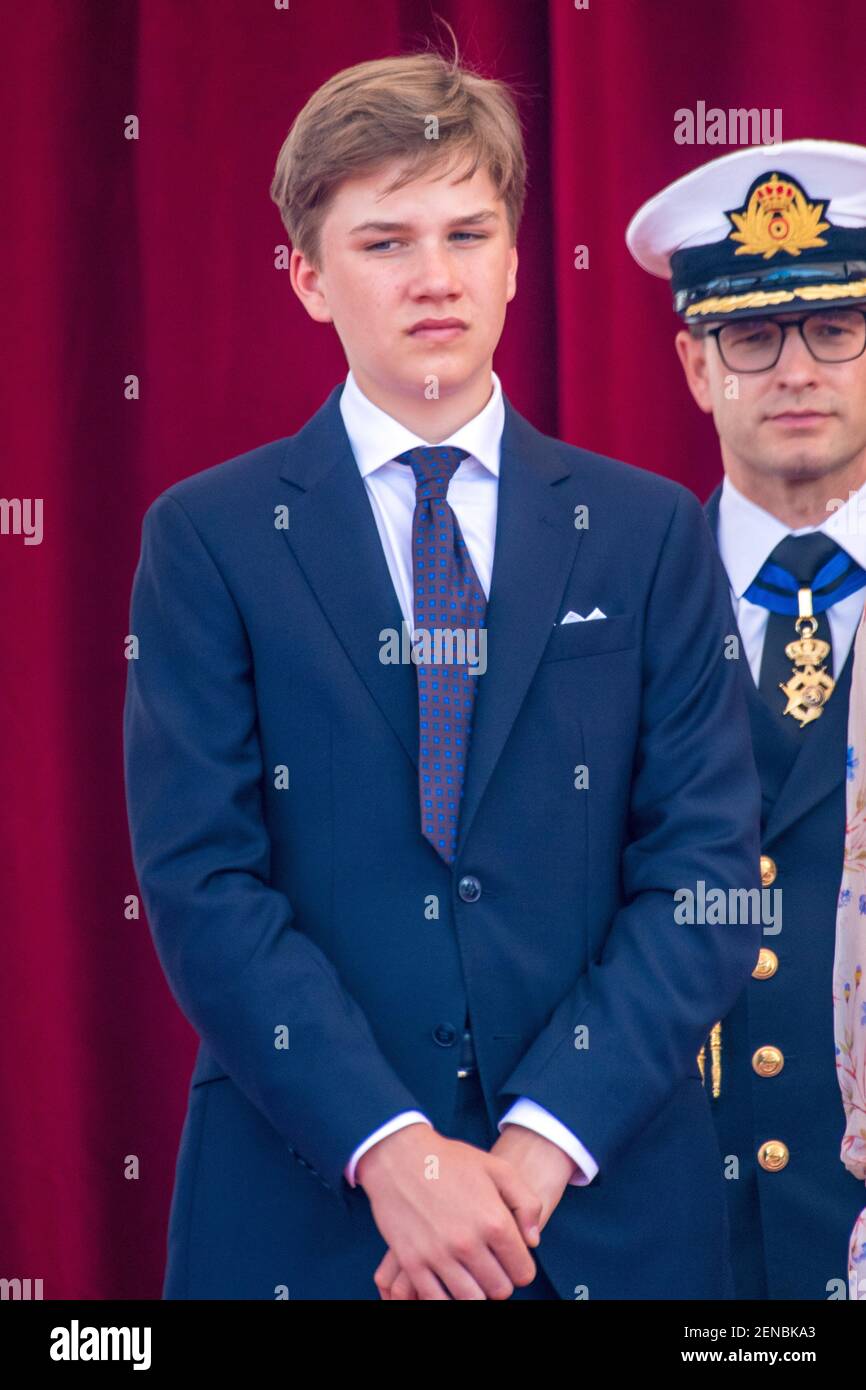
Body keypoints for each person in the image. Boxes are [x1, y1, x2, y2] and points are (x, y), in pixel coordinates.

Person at [123, 41, 762, 1301]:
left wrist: (536, 1146)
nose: (434, 277)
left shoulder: (646, 534)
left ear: (517, 263)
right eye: (385, 241)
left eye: (468, 233)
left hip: (601, 1205)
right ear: (306, 277)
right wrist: (392, 1151)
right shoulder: (206, 538)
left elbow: (701, 870)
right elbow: (201, 880)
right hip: (309, 1208)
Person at [627, 137, 866, 1300]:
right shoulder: (604, 601)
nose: (793, 369)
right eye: (749, 335)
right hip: (667, 1233)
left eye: (834, 327)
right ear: (691, 362)